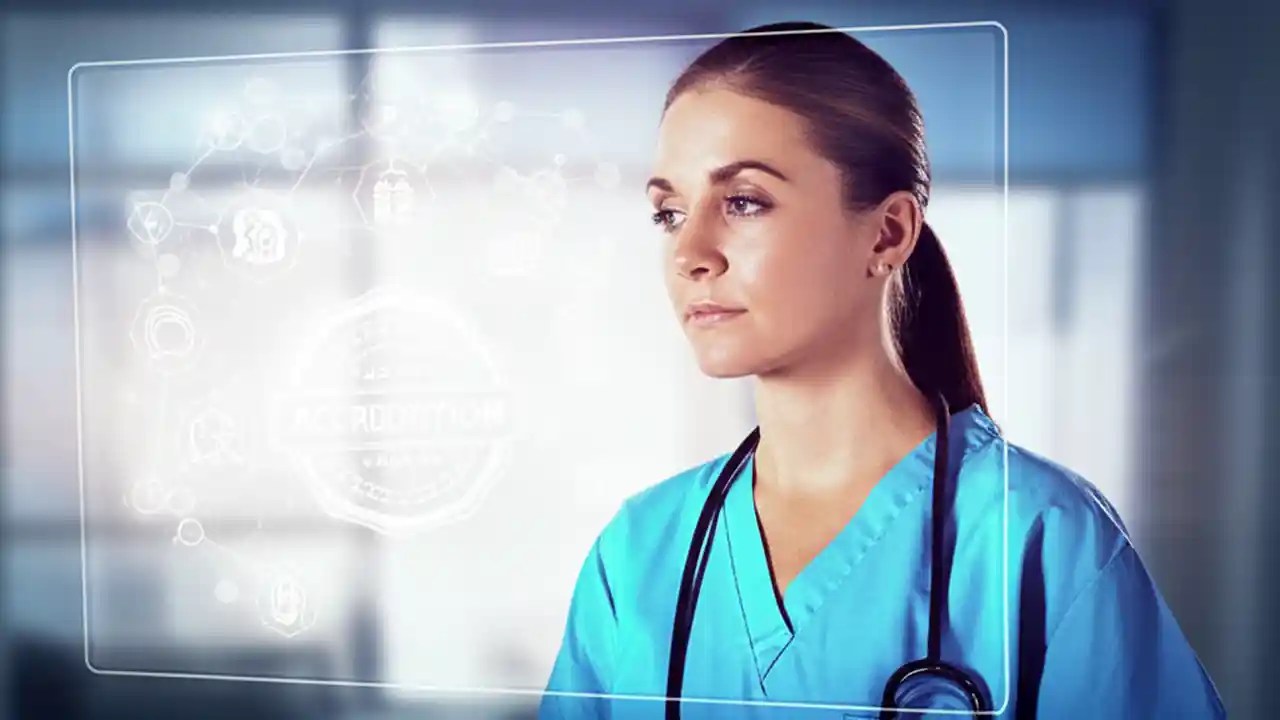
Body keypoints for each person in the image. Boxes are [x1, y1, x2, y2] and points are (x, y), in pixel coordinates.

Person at [539, 21, 1225, 719]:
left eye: (743, 202)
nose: (690, 253)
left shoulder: (1038, 537)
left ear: (888, 232)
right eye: (669, 213)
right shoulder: (640, 552)